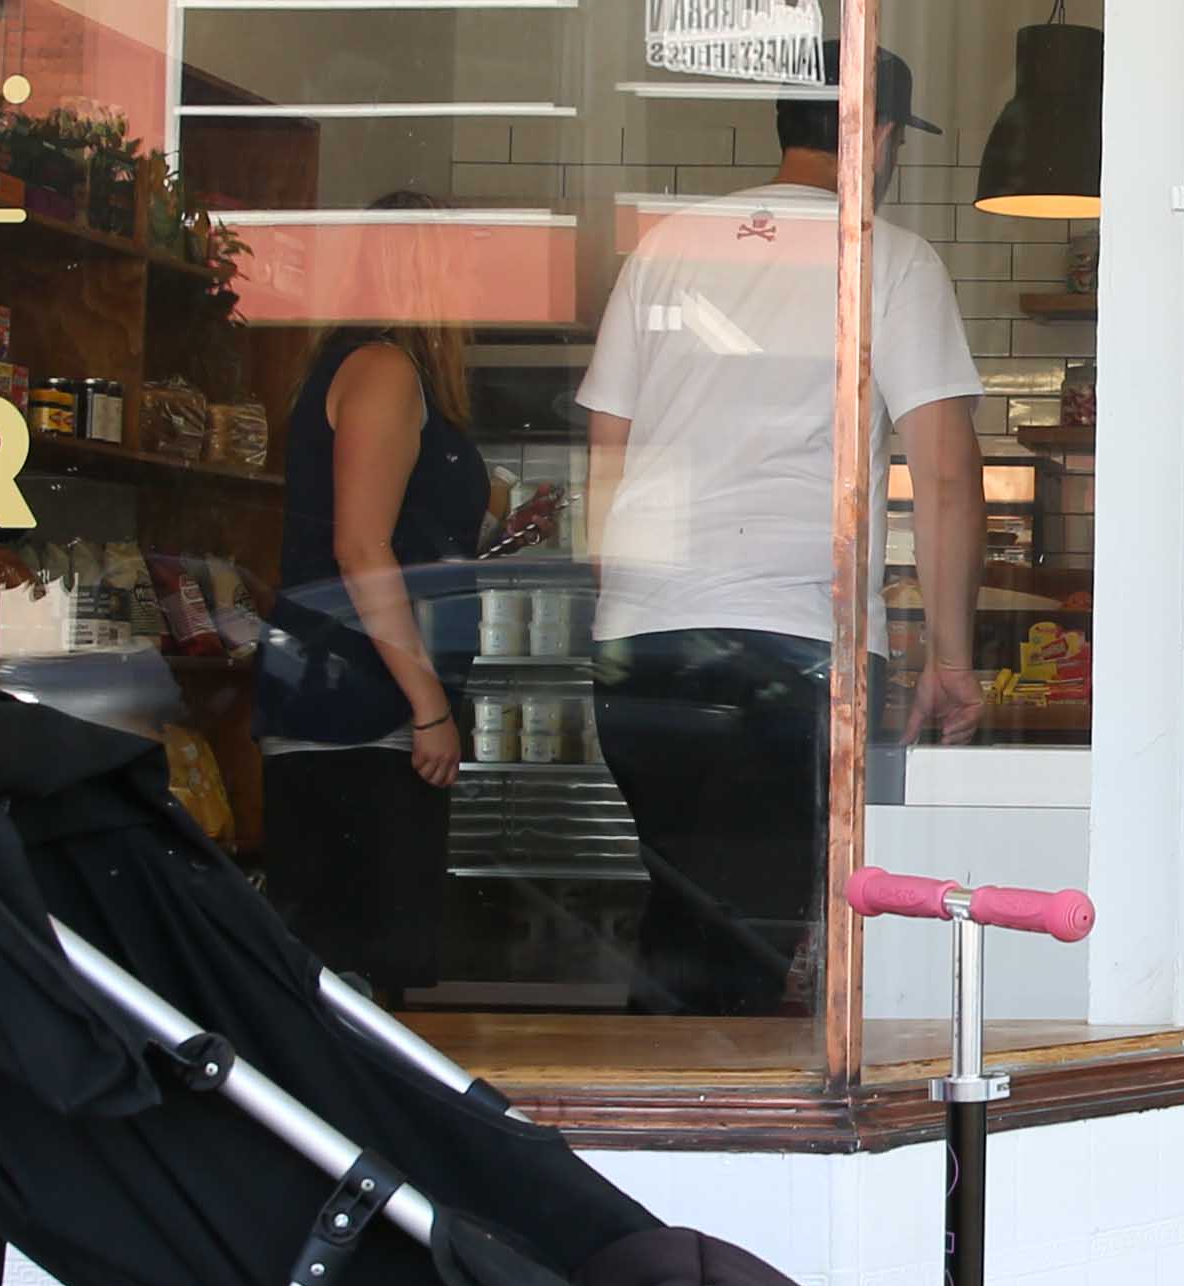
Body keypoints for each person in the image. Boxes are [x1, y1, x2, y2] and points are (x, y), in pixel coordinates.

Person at [580, 49, 989, 1017]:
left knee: (691, 919)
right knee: (738, 946)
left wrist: (636, 602)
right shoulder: (888, 258)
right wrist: (950, 658)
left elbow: (607, 452)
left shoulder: (670, 244)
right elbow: (944, 473)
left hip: (641, 644)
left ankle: (655, 1131)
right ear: (881, 137)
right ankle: (693, 1142)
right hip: (792, 644)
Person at [254, 200, 492, 1007]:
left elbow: (390, 539)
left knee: (361, 980)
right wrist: (426, 704)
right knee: (355, 976)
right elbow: (360, 549)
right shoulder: (385, 370)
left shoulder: (383, 373)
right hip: (357, 712)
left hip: (360, 706)